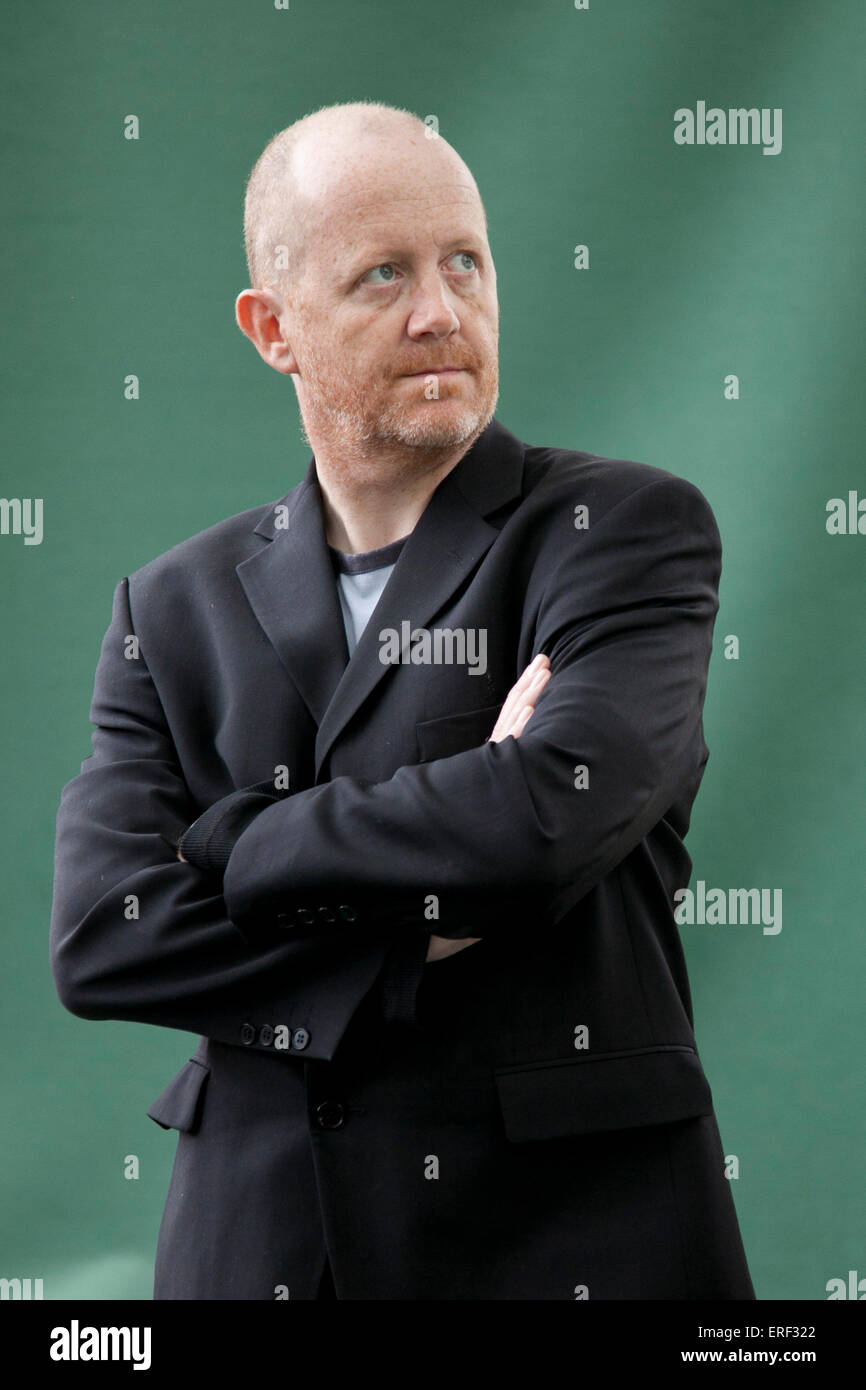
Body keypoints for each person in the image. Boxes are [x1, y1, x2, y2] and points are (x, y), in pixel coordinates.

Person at [50, 100, 755, 1301]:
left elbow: (536, 824)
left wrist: (230, 841)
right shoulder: (166, 608)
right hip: (260, 1249)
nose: (442, 311)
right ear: (273, 328)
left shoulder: (619, 532)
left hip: (566, 1245)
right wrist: (408, 939)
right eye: (383, 274)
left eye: (465, 263)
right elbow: (104, 938)